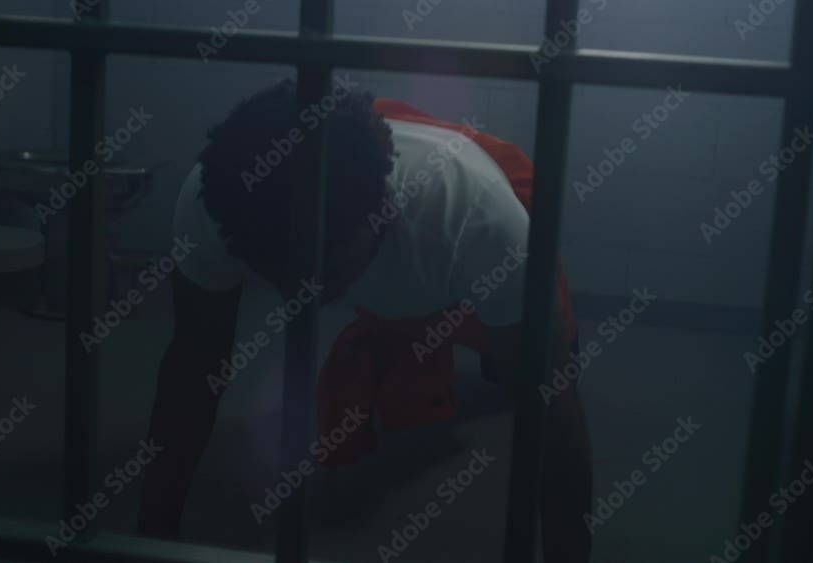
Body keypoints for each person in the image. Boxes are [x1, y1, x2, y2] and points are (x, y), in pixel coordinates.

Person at [137, 78, 592, 562]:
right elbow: (194, 366)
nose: (305, 290)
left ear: (380, 213)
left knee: (532, 376)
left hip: (486, 186)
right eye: (279, 272)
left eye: (324, 269)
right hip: (387, 210)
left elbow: (554, 414)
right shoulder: (217, 203)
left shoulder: (478, 221)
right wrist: (150, 537)